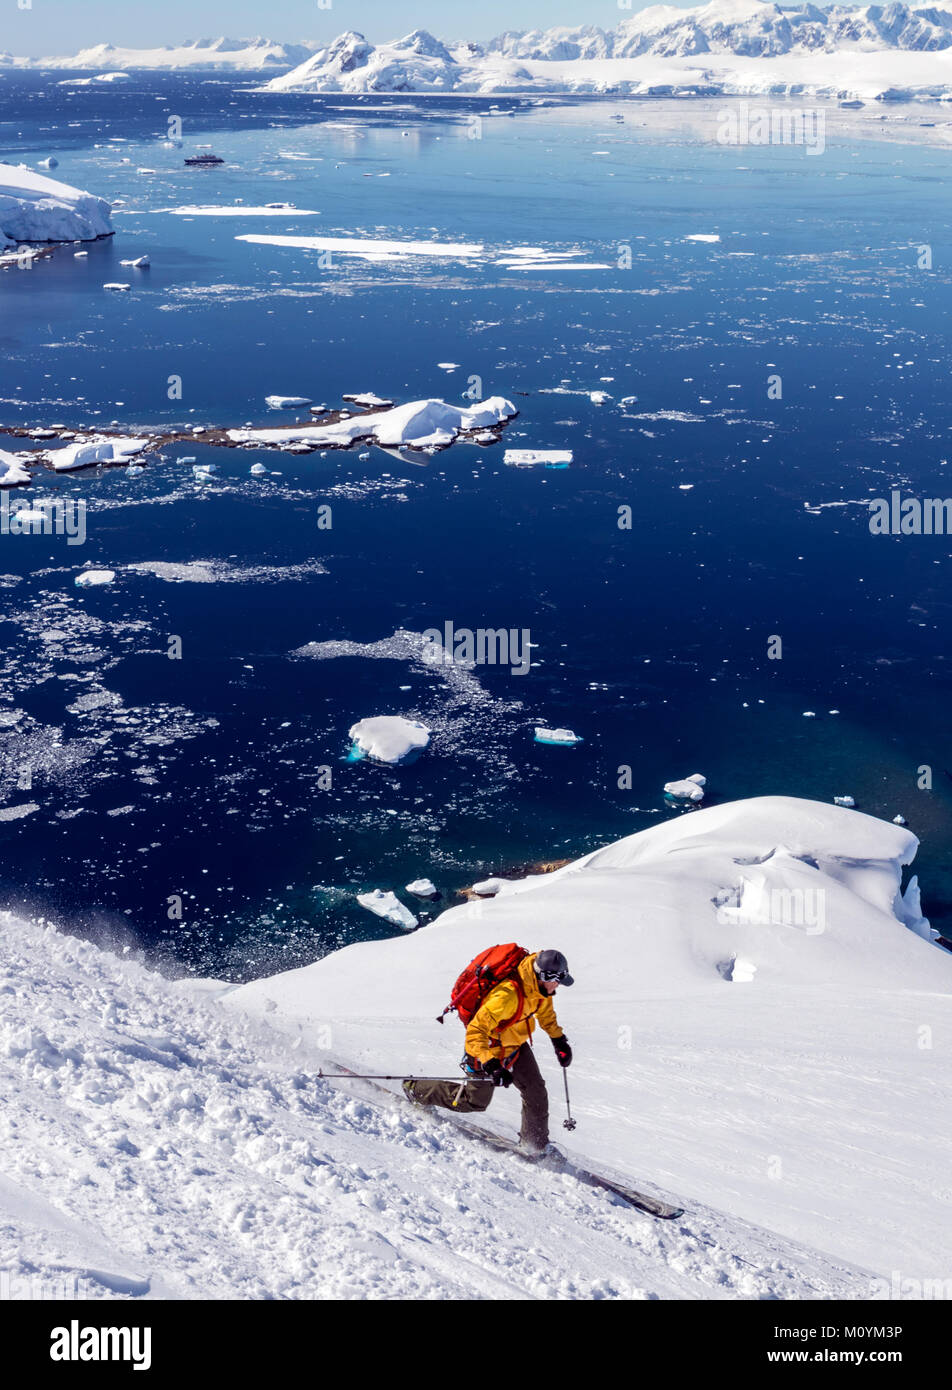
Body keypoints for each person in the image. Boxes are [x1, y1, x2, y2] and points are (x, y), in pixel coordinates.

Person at [404, 948, 573, 1155]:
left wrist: (559, 1040)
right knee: (473, 1101)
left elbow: (546, 1014)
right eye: (556, 981)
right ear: (544, 976)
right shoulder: (506, 996)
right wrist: (491, 1064)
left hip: (514, 1044)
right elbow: (475, 1031)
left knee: (535, 1090)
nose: (558, 985)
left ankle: (535, 1146)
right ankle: (416, 1089)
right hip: (486, 1048)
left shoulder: (541, 990)